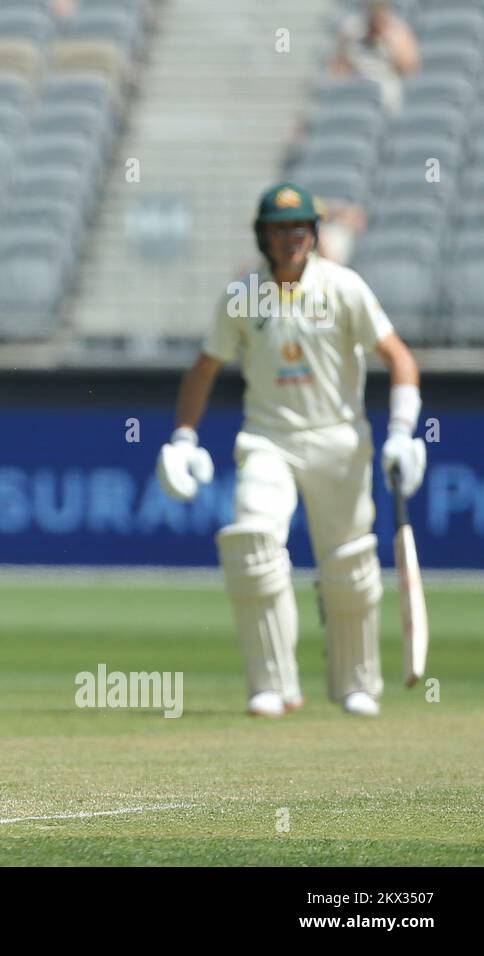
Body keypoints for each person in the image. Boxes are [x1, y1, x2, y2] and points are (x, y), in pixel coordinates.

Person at [156, 182, 425, 719]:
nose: (291, 236)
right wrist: (183, 436)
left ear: (313, 232)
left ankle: (356, 685)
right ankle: (272, 685)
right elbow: (204, 368)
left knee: (350, 565)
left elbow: (398, 357)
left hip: (339, 441)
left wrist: (401, 431)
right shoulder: (243, 295)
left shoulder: (344, 287)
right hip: (268, 439)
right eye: (279, 228)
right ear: (264, 236)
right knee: (252, 542)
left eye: (299, 226)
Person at [331, 1, 420, 114]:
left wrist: (391, 45)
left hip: (386, 87)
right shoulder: (353, 30)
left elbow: (410, 68)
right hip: (356, 85)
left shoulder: (398, 31)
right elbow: (338, 65)